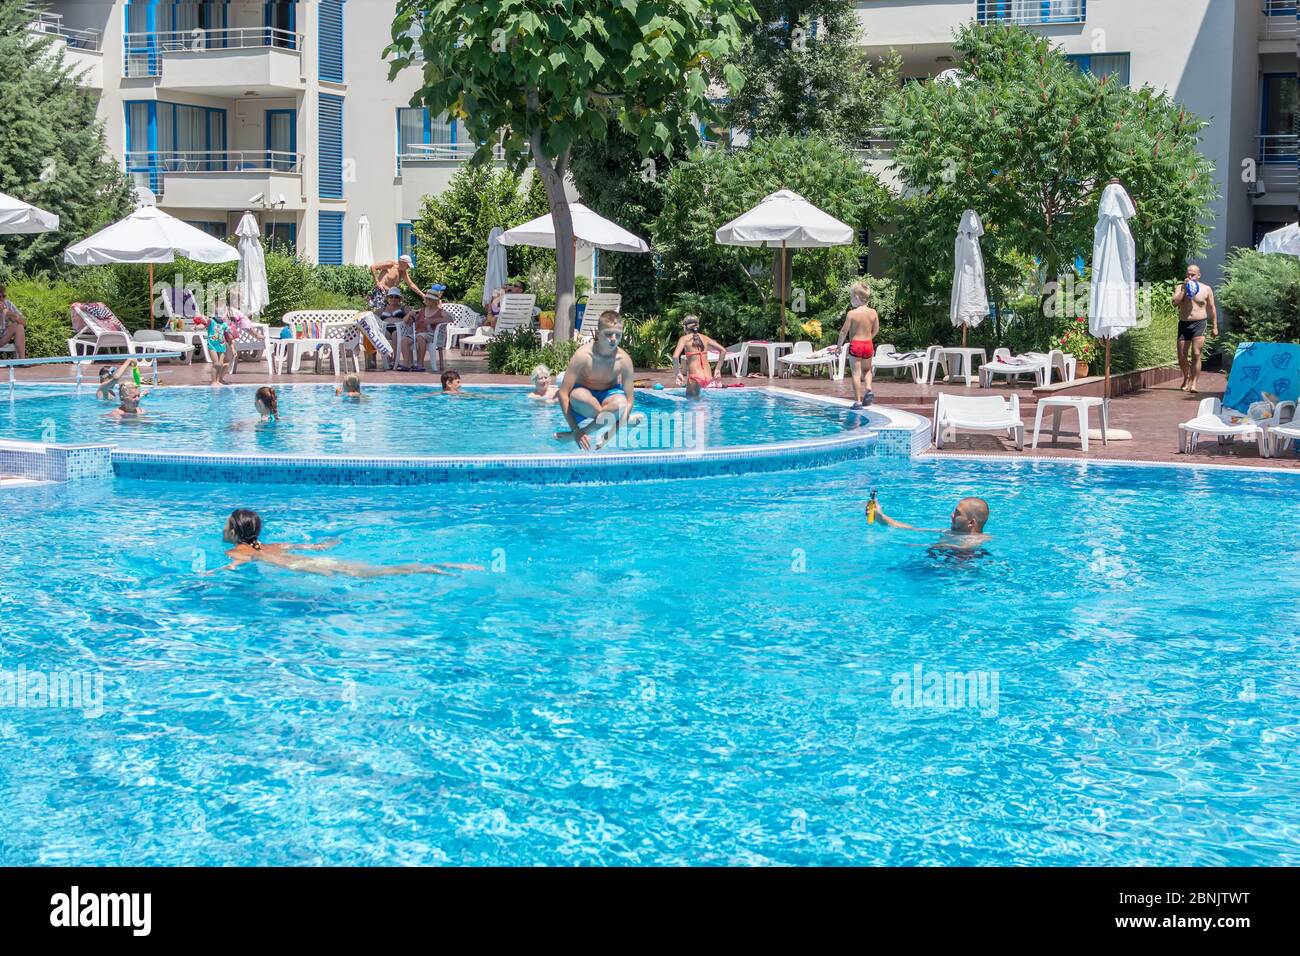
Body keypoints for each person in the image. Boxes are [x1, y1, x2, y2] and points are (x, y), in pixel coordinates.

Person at [214, 509, 482, 578]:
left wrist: (210, 574)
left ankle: (430, 568)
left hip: (308, 569)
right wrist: (333, 540)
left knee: (373, 574)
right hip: (318, 562)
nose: (223, 527)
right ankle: (436, 565)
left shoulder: (237, 550)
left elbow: (235, 565)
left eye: (226, 524)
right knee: (374, 570)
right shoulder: (271, 546)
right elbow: (315, 547)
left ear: (236, 532)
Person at [556, 310, 640, 450]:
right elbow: (563, 393)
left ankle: (615, 417)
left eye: (617, 335)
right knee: (579, 396)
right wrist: (575, 428)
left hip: (609, 397)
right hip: (584, 402)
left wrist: (611, 432)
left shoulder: (624, 360)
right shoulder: (583, 355)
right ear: (598, 332)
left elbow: (630, 399)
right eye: (608, 334)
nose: (613, 338)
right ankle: (616, 418)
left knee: (621, 403)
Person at [871, 496, 992, 554]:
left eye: (957, 514)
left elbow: (965, 548)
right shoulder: (950, 532)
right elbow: (914, 529)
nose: (951, 515)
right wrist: (882, 518)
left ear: (971, 523)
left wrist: (918, 545)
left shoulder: (976, 540)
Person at [1172, 264, 1219, 393]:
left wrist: (1215, 326)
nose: (1190, 276)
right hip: (1184, 323)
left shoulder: (1206, 289)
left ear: (1198, 275)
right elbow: (1175, 303)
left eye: (1193, 274)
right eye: (1188, 274)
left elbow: (1211, 308)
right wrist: (1183, 290)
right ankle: (1186, 376)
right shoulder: (1180, 287)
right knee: (1181, 356)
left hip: (1200, 323)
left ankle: (1194, 384)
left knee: (1196, 354)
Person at [836, 282, 879, 408]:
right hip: (868, 344)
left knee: (856, 373)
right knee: (867, 370)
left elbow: (844, 331)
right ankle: (869, 388)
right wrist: (869, 338)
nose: (851, 300)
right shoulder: (873, 312)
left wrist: (839, 346)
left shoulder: (852, 314)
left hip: (856, 344)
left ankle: (858, 401)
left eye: (851, 298)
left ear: (857, 297)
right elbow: (876, 330)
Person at [671, 315, 726, 399]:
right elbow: (723, 350)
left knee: (691, 402)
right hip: (708, 376)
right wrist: (718, 369)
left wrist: (677, 373)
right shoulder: (705, 338)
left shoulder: (684, 339)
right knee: (698, 401)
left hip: (695, 376)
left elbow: (675, 357)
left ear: (685, 328)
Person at [413, 285, 452, 373]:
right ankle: (407, 364)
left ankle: (420, 364)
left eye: (429, 299)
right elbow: (410, 319)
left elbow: (450, 319)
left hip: (432, 335)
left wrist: (433, 320)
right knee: (405, 340)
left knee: (420, 337)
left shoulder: (440, 311)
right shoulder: (421, 310)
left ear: (435, 301)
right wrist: (410, 315)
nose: (427, 301)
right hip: (419, 333)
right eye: (427, 299)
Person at [193, 312, 233, 385]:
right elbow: (203, 325)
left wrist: (231, 333)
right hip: (212, 345)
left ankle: (218, 380)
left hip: (222, 346)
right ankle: (213, 381)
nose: (223, 316)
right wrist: (196, 327)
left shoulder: (224, 324)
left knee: (221, 364)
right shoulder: (211, 321)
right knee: (216, 364)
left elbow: (230, 333)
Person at [0, 283, 27, 359]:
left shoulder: (8, 304)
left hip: (2, 339)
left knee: (19, 326)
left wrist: (9, 313)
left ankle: (22, 361)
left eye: (4, 296)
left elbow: (24, 323)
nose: (2, 299)